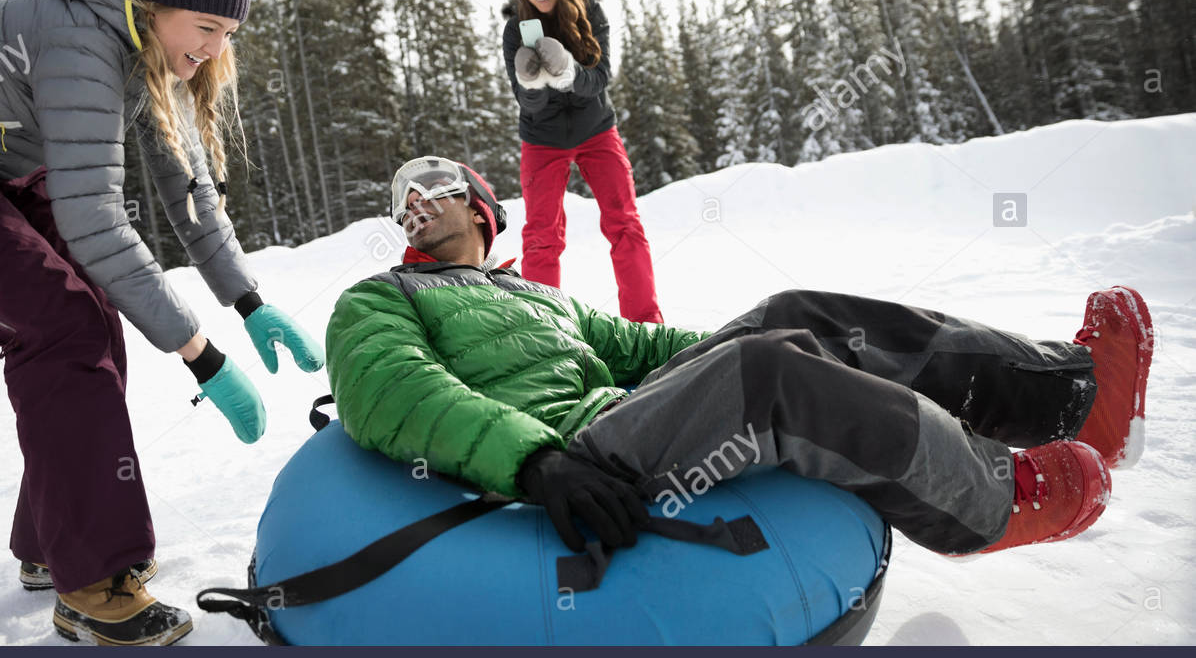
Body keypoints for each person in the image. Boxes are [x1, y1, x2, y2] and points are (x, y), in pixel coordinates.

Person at [327, 155, 1151, 560]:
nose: (411, 204)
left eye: (430, 185)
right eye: (400, 199)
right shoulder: (382, 297)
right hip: (581, 456)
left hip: (624, 416)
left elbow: (648, 348)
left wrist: (777, 340)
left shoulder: (539, 297)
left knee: (793, 316)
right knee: (766, 375)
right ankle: (995, 501)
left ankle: (1070, 399)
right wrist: (538, 462)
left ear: (480, 207)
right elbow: (392, 391)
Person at [0, 0, 324, 645]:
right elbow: (95, 220)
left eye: (230, 32)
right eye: (207, 26)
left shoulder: (146, 48)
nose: (217, 48)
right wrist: (202, 356)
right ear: (155, 7)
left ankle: (55, 541)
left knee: (92, 319)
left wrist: (248, 301)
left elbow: (188, 191)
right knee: (59, 321)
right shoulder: (81, 40)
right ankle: (90, 582)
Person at [502, 0, 663, 323]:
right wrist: (532, 83)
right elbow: (527, 105)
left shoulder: (590, 12)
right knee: (542, 237)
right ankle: (547, 331)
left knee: (624, 223)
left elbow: (601, 78)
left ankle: (646, 326)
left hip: (596, 130)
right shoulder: (514, 30)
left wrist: (569, 73)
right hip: (542, 139)